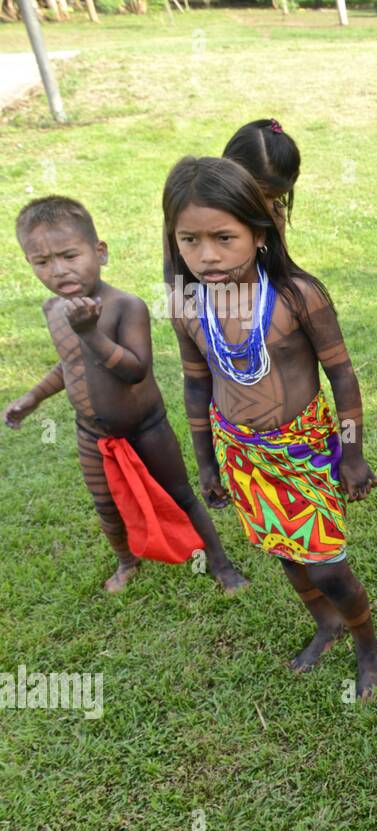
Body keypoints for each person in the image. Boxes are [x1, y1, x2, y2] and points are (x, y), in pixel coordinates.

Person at [165, 156, 377, 699]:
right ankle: (327, 623)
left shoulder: (297, 296)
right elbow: (197, 386)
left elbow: (342, 373)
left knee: (329, 565)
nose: (207, 255)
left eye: (223, 236)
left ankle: (368, 645)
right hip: (240, 451)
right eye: (189, 241)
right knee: (284, 552)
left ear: (260, 233)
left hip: (304, 448)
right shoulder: (187, 304)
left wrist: (352, 454)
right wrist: (205, 461)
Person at [6, 196, 246, 595]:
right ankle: (126, 560)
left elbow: (135, 370)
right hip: (92, 434)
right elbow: (69, 365)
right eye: (42, 262)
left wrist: (89, 333)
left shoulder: (123, 307)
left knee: (181, 495)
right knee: (106, 505)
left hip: (145, 427)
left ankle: (222, 566)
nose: (60, 270)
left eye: (69, 255)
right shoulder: (54, 309)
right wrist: (32, 398)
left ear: (99, 252)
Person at [163, 119, 300, 289]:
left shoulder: (274, 212)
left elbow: (280, 270)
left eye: (276, 197)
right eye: (262, 195)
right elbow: (173, 272)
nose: (268, 206)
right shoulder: (188, 212)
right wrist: (182, 311)